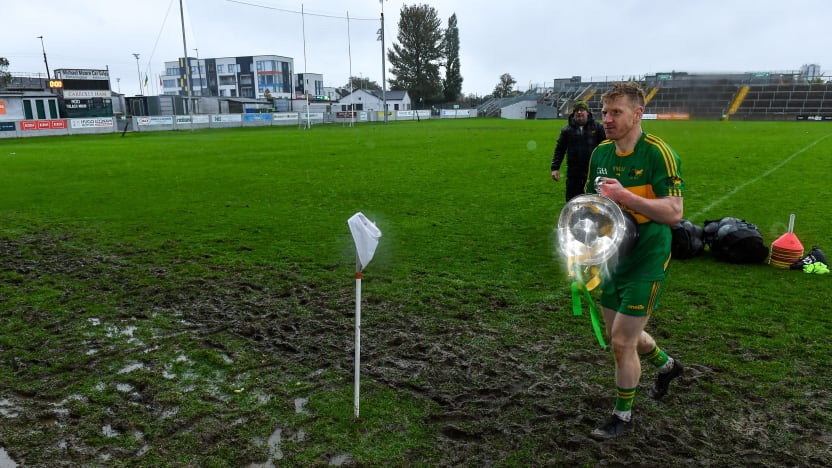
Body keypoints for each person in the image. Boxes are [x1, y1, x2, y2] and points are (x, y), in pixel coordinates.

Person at [585, 82, 685, 439]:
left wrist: (625, 195)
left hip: (648, 258)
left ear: (637, 114)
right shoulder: (600, 154)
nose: (607, 119)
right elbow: (591, 208)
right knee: (622, 334)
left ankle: (621, 416)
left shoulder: (658, 153)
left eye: (616, 113)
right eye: (605, 112)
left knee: (621, 343)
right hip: (613, 258)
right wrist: (583, 248)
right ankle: (668, 365)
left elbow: (674, 212)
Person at [550, 101, 606, 201]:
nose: (579, 112)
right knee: (573, 201)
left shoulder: (597, 128)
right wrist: (555, 168)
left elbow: (605, 148)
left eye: (582, 110)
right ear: (573, 114)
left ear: (587, 113)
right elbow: (560, 149)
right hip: (573, 174)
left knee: (593, 201)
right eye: (577, 111)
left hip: (593, 173)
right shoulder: (566, 130)